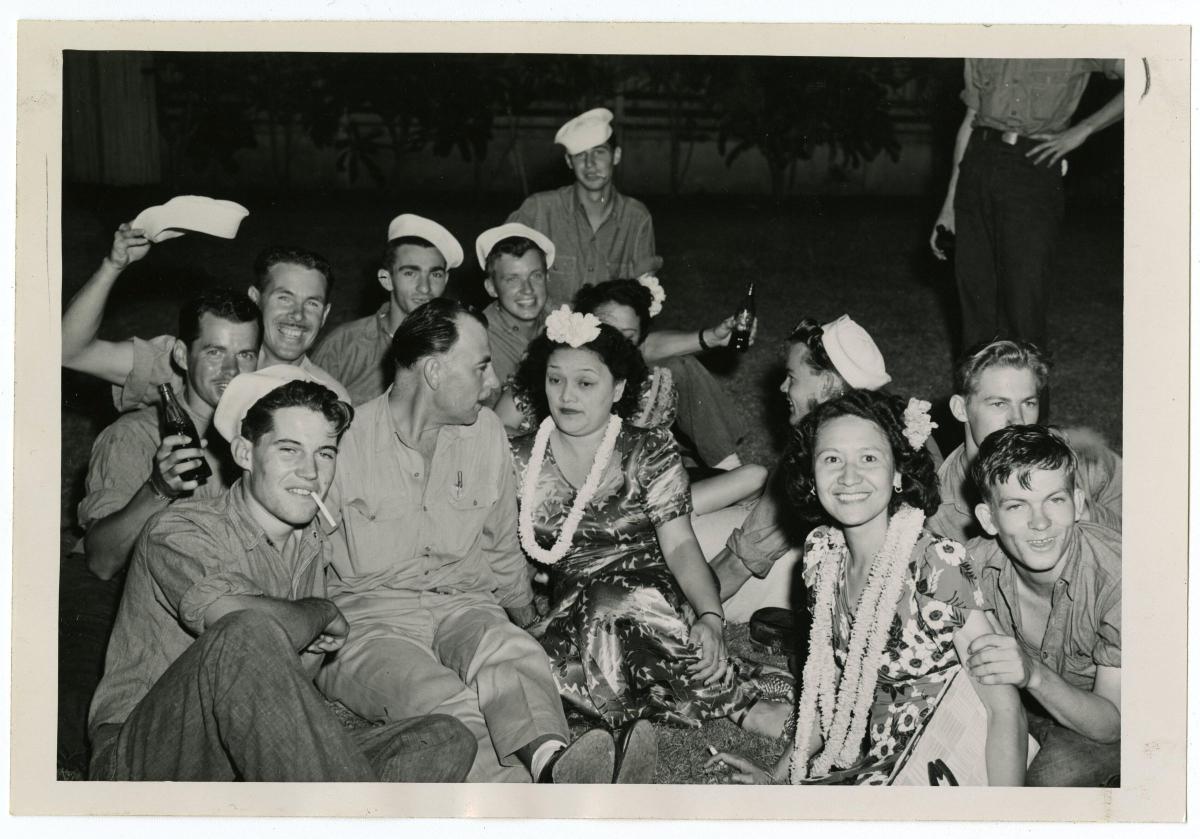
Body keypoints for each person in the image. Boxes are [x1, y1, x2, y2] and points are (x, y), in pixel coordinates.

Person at [314, 298, 653, 783]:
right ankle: (538, 803)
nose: (493, 383)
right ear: (433, 372)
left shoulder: (484, 433)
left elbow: (499, 545)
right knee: (437, 696)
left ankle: (553, 764)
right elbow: (301, 558)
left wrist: (528, 619)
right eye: (480, 367)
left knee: (511, 653)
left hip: (463, 605)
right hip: (370, 624)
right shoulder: (342, 443)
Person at [87, 368, 477, 781]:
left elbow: (288, 689)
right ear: (243, 453)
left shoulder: (309, 546)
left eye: (324, 453)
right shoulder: (182, 529)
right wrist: (321, 612)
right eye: (290, 450)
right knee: (247, 632)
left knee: (446, 737)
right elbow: (241, 627)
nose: (311, 472)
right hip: (145, 758)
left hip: (243, 756)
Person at [707, 389, 1026, 785]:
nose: (849, 477)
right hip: (868, 758)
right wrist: (778, 783)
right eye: (832, 459)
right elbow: (832, 683)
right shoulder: (823, 552)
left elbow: (1004, 708)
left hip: (945, 762)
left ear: (896, 473)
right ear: (811, 475)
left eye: (869, 458)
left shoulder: (936, 563)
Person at [509, 308, 791, 741]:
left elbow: (680, 545)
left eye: (585, 382)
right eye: (555, 379)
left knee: (610, 601)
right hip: (571, 607)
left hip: (649, 594)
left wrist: (711, 616)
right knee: (531, 669)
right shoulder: (520, 458)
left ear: (618, 387)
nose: (567, 395)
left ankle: (743, 706)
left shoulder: (648, 449)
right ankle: (700, 691)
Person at [509, 107, 750, 471]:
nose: (591, 164)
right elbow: (506, 278)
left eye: (600, 152)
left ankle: (729, 470)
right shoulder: (539, 211)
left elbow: (637, 329)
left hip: (612, 357)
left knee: (682, 368)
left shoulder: (636, 218)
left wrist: (708, 337)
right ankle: (700, 467)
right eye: (580, 156)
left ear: (617, 156)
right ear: (568, 162)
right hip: (551, 361)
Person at [930, 59, 1125, 352]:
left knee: (1024, 309)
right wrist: (949, 207)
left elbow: (1147, 76)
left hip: (1032, 166)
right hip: (977, 162)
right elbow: (969, 121)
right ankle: (979, 397)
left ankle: (1029, 397)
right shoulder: (987, 33)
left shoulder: (1072, 31)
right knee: (975, 305)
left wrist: (1083, 129)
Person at [964, 424, 1121, 787]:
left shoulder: (1118, 577)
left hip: (1097, 718)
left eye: (1055, 500)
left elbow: (1113, 724)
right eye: (1017, 505)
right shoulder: (970, 565)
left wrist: (1032, 673)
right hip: (1015, 705)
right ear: (989, 519)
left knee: (1049, 779)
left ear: (1078, 504)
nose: (1040, 522)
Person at [76, 288, 261, 580]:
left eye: (245, 355)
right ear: (182, 356)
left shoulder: (261, 439)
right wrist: (158, 489)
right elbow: (101, 562)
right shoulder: (132, 436)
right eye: (215, 352)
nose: (232, 370)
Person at [710, 315, 895, 602]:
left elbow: (736, 564)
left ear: (828, 384)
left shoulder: (816, 451)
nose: (783, 387)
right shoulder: (891, 424)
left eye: (792, 378)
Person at [61, 223, 350, 407]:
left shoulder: (329, 398)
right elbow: (70, 351)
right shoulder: (200, 362)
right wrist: (113, 266)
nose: (297, 316)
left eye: (311, 303)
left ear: (325, 315)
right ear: (254, 299)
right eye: (284, 298)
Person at [929, 340, 1122, 545]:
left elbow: (1147, 540)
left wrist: (1085, 513)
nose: (1018, 420)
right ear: (960, 409)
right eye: (999, 404)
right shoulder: (942, 514)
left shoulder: (1087, 460)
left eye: (1028, 403)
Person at [311, 213, 464, 404]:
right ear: (387, 279)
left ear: (446, 280)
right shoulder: (344, 345)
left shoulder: (460, 345)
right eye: (410, 273)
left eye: (435, 275)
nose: (424, 288)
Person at [474, 222, 556, 387]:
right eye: (512, 279)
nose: (527, 290)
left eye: (536, 276)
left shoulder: (566, 323)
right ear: (491, 288)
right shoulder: (478, 338)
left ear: (547, 278)